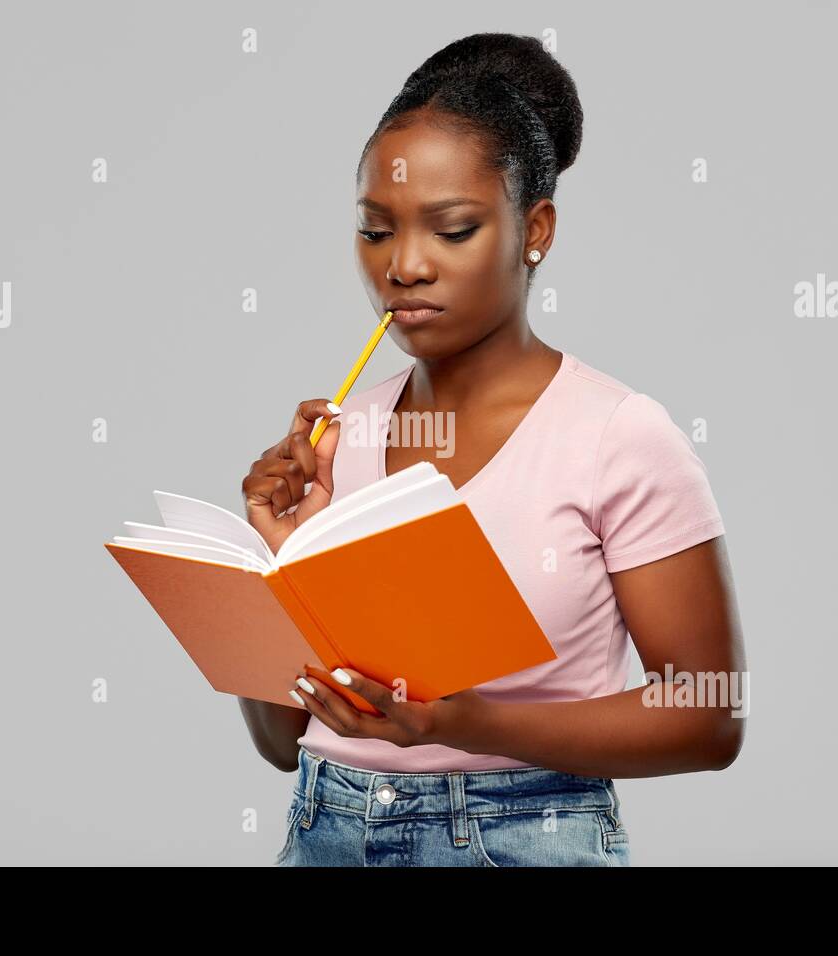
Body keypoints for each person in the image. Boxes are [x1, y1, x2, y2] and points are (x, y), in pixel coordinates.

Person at [238, 32, 746, 867]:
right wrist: (278, 559)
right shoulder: (337, 439)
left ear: (534, 228)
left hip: (524, 836)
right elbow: (281, 739)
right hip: (323, 831)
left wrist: (464, 724)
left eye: (453, 229)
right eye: (375, 231)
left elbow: (708, 718)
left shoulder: (617, 436)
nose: (403, 266)